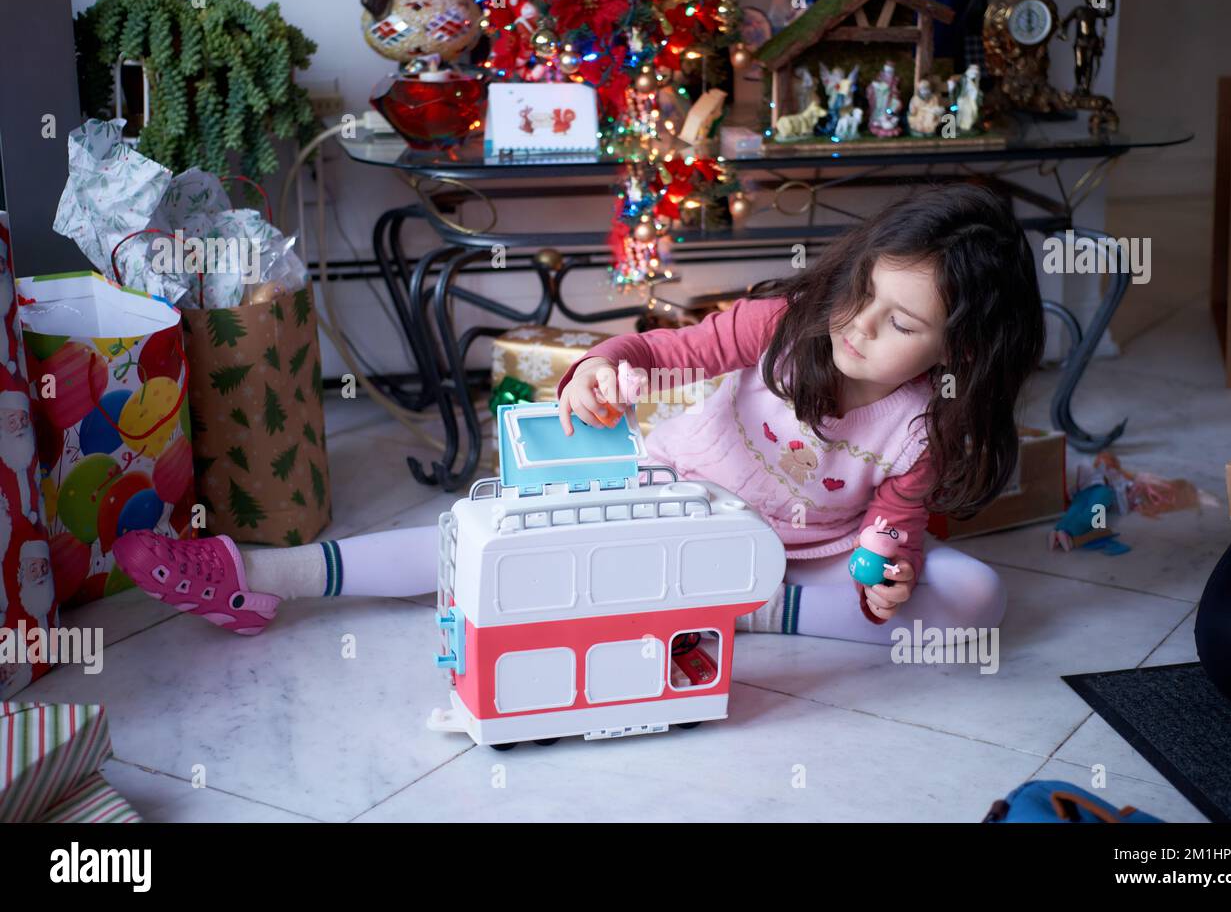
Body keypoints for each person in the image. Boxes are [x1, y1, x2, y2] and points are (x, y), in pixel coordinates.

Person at [114, 184, 1044, 645]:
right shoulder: (783, 327)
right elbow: (648, 352)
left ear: (958, 352)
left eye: (901, 325)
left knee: (978, 597)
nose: (859, 327)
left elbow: (896, 519)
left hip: (804, 551)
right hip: (671, 495)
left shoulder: (927, 420)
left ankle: (735, 607)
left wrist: (893, 567)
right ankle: (259, 570)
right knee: (482, 535)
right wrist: (599, 372)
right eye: (863, 294)